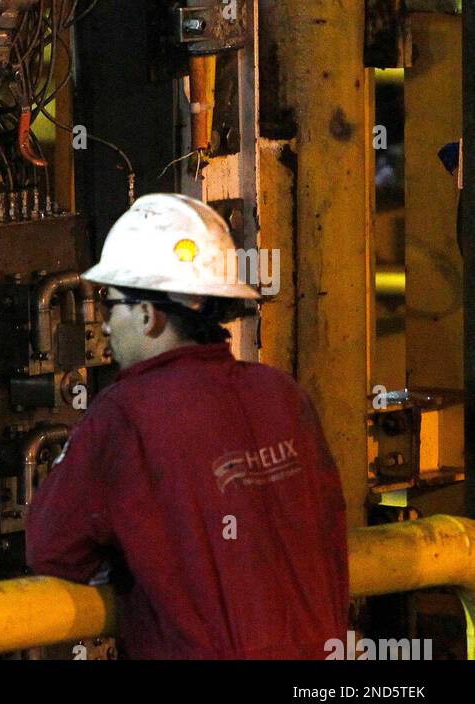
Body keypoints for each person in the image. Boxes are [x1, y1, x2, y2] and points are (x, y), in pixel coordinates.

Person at [26, 193, 349, 660]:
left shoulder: (126, 416)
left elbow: (52, 551)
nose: (107, 326)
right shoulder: (282, 394)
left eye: (109, 303)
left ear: (147, 315)